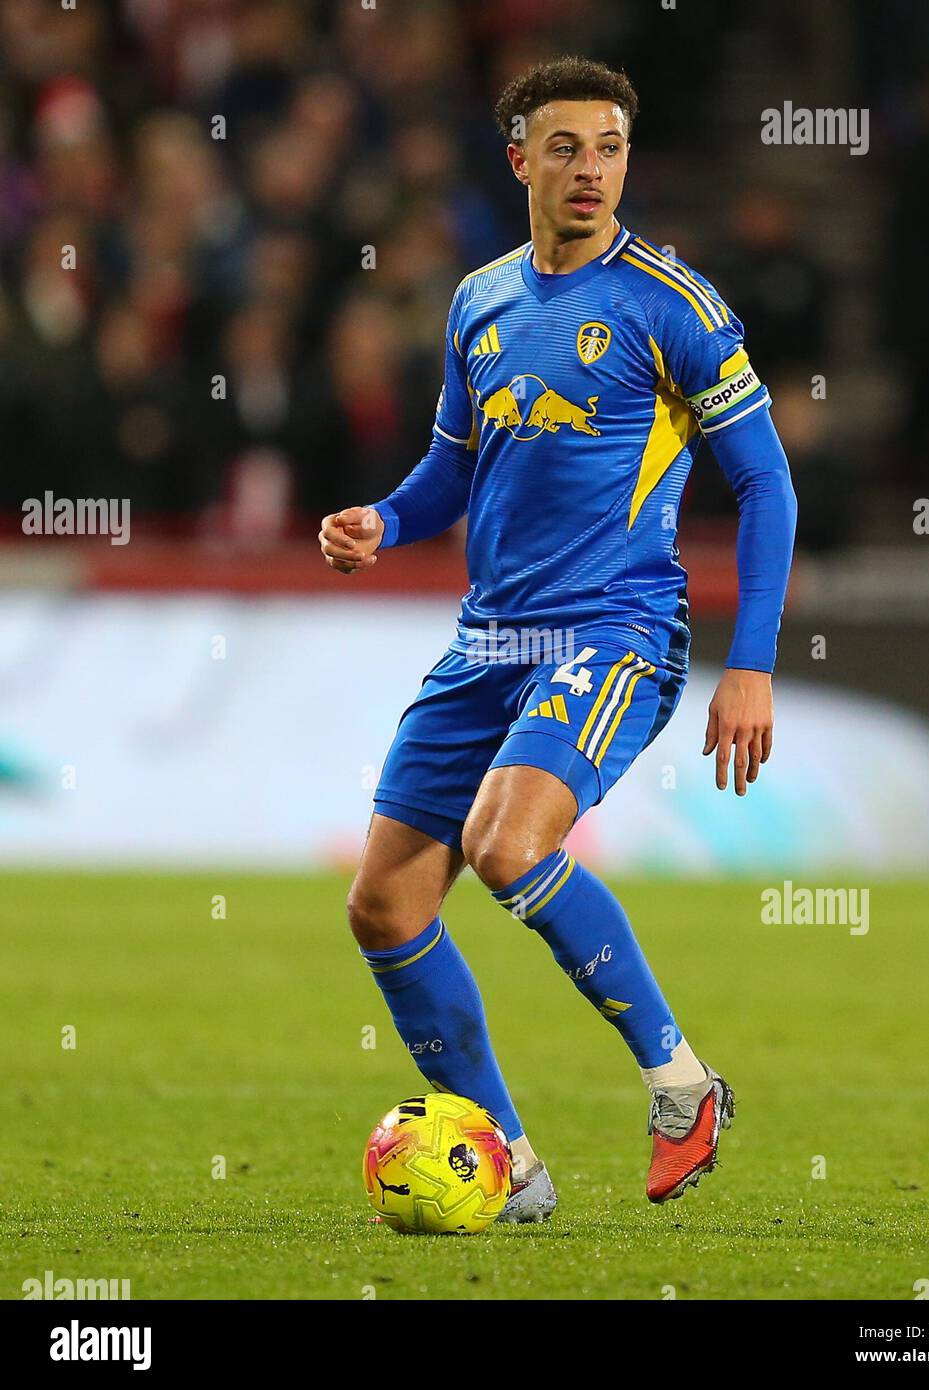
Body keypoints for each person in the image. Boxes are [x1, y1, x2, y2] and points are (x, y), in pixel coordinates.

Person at [319, 56, 797, 1222]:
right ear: (518, 159)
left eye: (611, 149)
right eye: (567, 147)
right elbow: (452, 465)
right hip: (487, 641)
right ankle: (512, 1168)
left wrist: (753, 661)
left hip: (615, 626)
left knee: (506, 843)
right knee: (382, 907)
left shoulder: (669, 304)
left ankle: (681, 1087)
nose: (591, 170)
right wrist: (385, 516)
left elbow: (767, 488)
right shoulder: (477, 298)